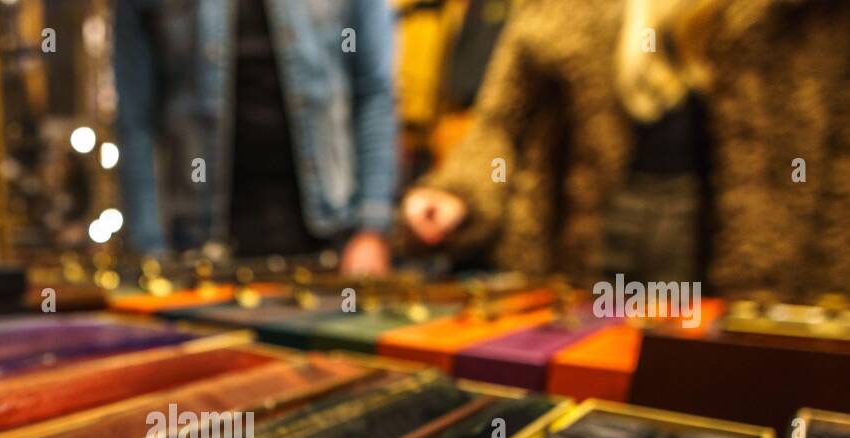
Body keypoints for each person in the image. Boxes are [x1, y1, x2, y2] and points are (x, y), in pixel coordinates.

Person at [402, 0, 850, 301]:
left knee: (706, 389)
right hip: (588, 234)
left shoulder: (805, 13)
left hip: (730, 239)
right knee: (598, 386)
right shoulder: (556, 9)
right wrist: (457, 191)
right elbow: (501, 121)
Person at [114, 0, 398, 275]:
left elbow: (374, 93)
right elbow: (135, 120)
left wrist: (370, 227)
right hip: (197, 247)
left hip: (331, 241)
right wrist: (151, 248)